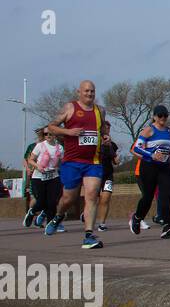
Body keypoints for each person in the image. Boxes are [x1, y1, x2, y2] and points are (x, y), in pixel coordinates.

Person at [45, 80, 108, 250]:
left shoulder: (100, 110)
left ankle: (88, 235)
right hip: (72, 162)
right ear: (79, 92)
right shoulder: (70, 108)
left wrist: (106, 137)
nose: (89, 94)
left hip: (93, 162)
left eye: (92, 91)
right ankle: (58, 216)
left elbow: (103, 129)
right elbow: (51, 127)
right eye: (86, 91)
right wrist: (68, 132)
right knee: (69, 199)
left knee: (92, 195)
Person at [130, 106, 170, 239]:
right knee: (148, 197)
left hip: (163, 167)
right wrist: (152, 155)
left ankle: (167, 225)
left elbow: (166, 147)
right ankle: (137, 217)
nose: (163, 118)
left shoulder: (169, 131)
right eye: (160, 115)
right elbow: (137, 148)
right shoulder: (148, 130)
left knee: (165, 195)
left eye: (165, 115)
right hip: (149, 167)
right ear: (154, 116)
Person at [31, 129, 64, 233]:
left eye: (51, 134)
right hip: (39, 176)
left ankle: (50, 225)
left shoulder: (60, 148)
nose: (48, 136)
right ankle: (32, 213)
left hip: (53, 176)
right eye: (46, 134)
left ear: (55, 135)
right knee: (41, 202)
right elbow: (30, 159)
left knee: (52, 202)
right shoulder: (40, 146)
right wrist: (38, 166)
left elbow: (63, 162)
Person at [93, 121, 119, 235]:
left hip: (108, 175)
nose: (107, 131)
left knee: (106, 198)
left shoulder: (112, 145)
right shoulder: (95, 143)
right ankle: (87, 214)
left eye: (108, 129)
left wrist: (110, 148)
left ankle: (102, 224)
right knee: (93, 199)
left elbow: (116, 161)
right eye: (105, 128)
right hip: (95, 174)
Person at [22, 126, 46, 227]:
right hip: (35, 175)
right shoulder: (32, 146)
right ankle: (31, 214)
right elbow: (25, 159)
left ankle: (39, 219)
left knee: (48, 198)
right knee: (35, 197)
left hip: (48, 175)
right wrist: (28, 169)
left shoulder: (52, 145)